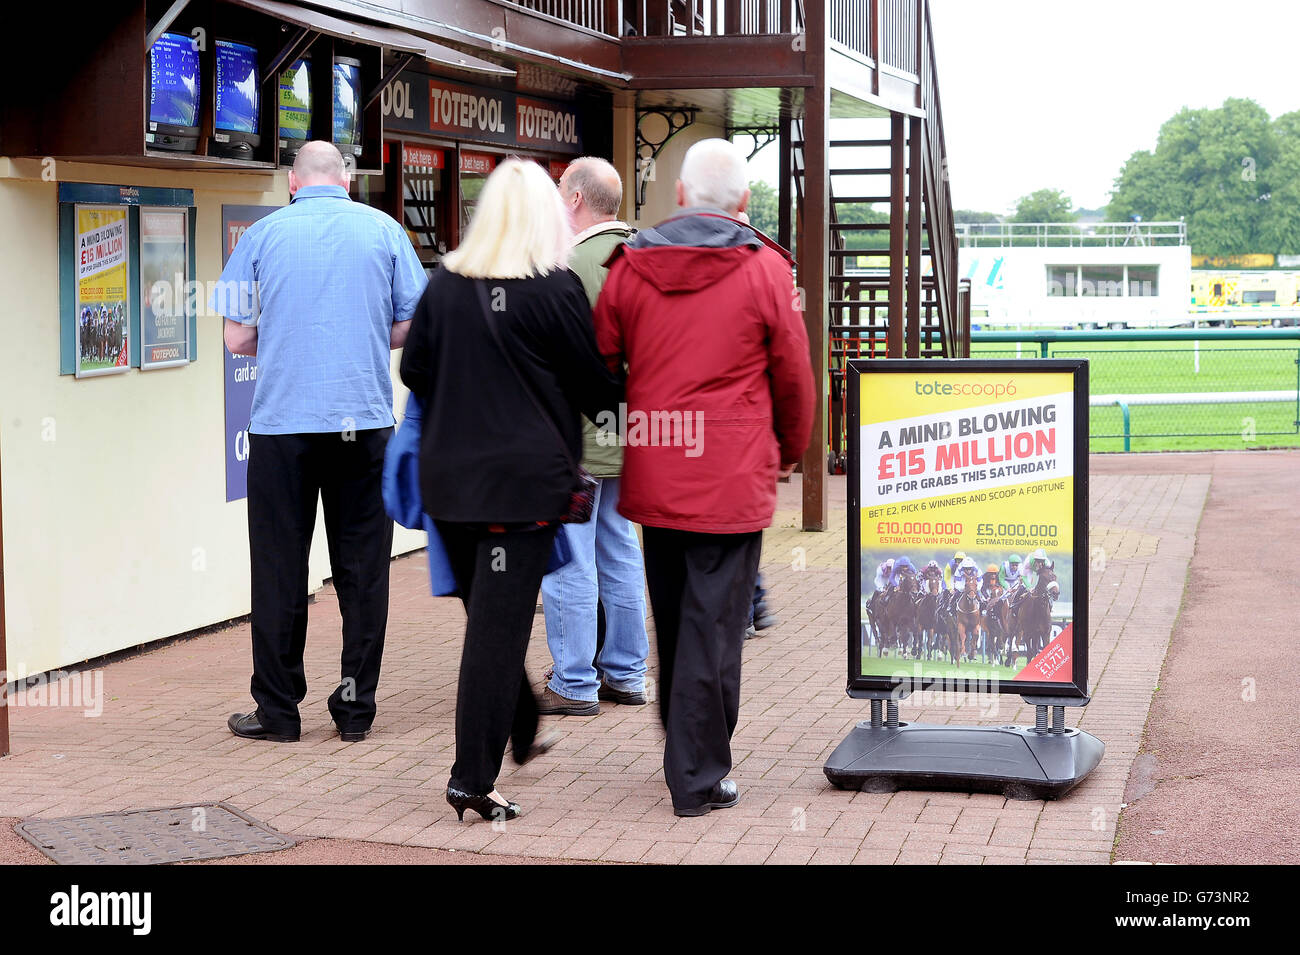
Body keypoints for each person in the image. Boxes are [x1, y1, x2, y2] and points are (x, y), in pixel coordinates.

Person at [594, 138, 815, 816]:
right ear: (744, 203)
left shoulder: (629, 265)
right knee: (714, 626)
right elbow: (794, 376)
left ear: (682, 196)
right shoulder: (765, 271)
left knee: (677, 617)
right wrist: (789, 449)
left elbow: (603, 360)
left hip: (659, 469)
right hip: (730, 472)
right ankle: (696, 773)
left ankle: (685, 743)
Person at [399, 158, 623, 823]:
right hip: (520, 494)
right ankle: (471, 778)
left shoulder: (443, 285)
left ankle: (520, 727)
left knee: (489, 621)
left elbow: (415, 369)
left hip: (449, 487)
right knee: (493, 637)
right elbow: (595, 392)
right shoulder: (553, 289)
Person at [214, 141, 426, 744]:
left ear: (292, 182)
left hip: (283, 428)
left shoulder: (259, 235)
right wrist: (363, 333)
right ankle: (356, 711)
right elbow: (414, 323)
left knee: (279, 568)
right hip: (363, 422)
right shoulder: (385, 230)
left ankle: (278, 713)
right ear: (348, 178)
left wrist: (282, 336)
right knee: (363, 572)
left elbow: (235, 339)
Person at [538, 157, 649, 717]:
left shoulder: (569, 264)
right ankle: (628, 673)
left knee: (570, 557)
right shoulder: (649, 253)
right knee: (622, 549)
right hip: (637, 431)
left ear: (576, 200)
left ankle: (575, 681)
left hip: (578, 436)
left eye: (561, 190)